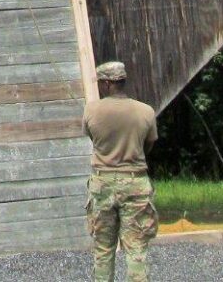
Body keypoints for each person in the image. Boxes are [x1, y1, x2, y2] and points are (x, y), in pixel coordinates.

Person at [83, 61, 158, 282]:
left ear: (106, 84)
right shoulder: (146, 111)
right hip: (135, 183)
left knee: (103, 249)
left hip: (102, 184)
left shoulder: (91, 110)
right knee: (136, 249)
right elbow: (149, 144)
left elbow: (93, 139)